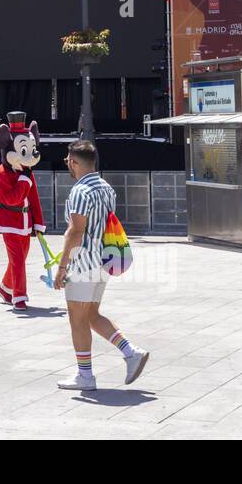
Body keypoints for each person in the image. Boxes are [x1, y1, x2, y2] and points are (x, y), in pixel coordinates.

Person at [53, 140, 149, 391]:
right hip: (103, 261)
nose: (68, 166)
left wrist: (62, 267)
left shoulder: (80, 191)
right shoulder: (106, 188)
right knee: (91, 315)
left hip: (83, 263)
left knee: (78, 320)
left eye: (67, 162)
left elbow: (75, 232)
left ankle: (85, 376)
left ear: (74, 162)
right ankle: (132, 353)